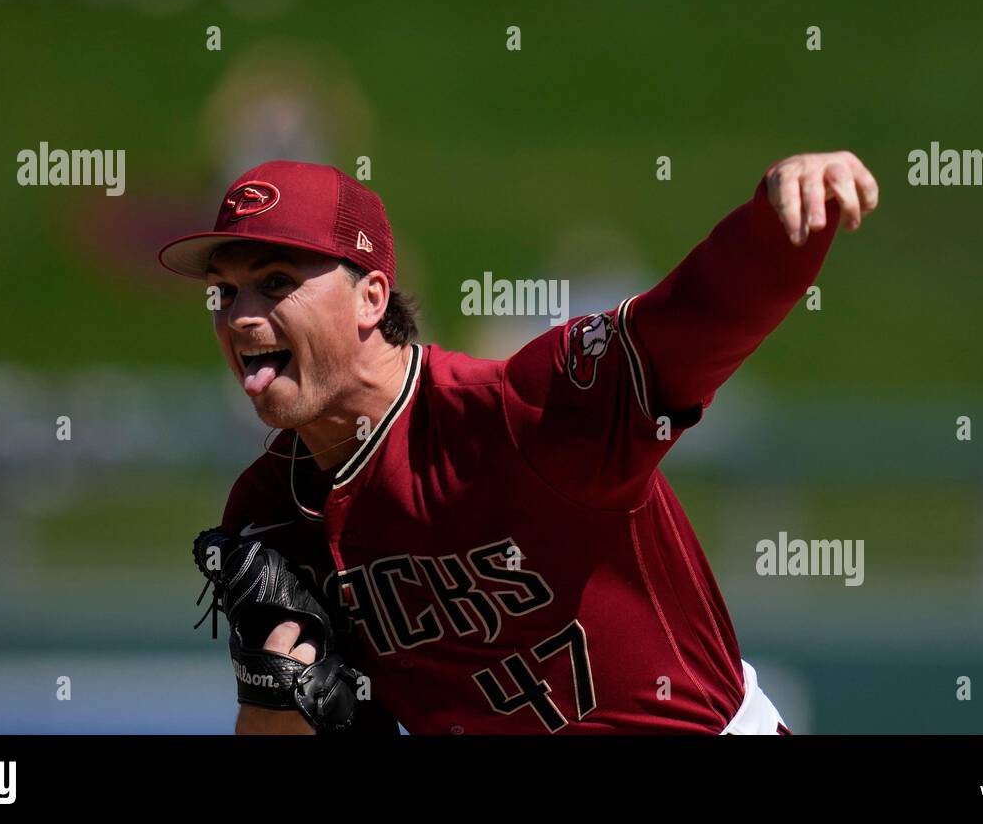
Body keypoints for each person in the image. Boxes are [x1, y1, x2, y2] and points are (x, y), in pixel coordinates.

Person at [159, 153, 878, 734]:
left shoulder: (517, 414)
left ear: (371, 299)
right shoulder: (269, 511)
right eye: (225, 292)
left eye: (276, 282)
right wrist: (271, 700)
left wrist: (785, 222)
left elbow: (693, 321)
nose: (240, 318)